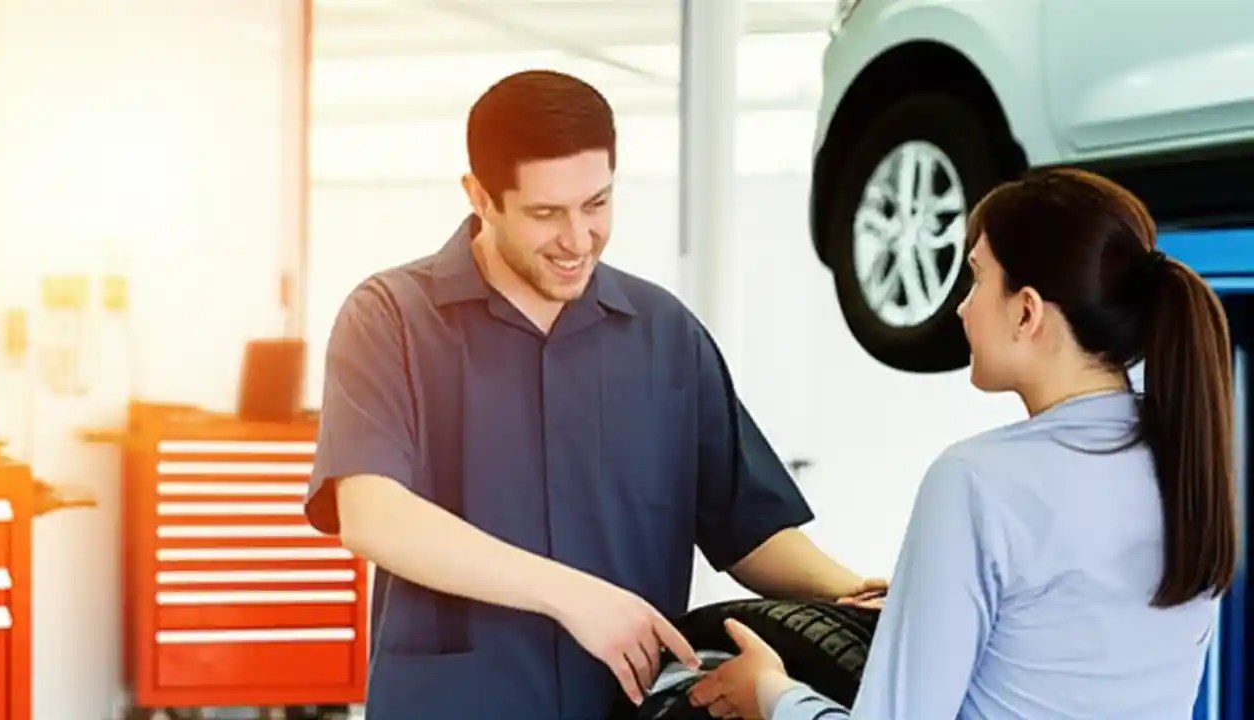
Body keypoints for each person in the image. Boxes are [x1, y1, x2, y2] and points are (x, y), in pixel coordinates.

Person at [302, 69, 886, 720]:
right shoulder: (391, 319)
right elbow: (373, 515)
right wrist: (575, 597)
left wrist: (852, 592)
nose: (577, 240)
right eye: (546, 214)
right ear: (480, 196)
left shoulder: (665, 334)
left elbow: (747, 525)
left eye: (597, 204)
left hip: (620, 707)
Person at [687, 168, 1237, 719]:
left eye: (976, 278)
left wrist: (771, 695)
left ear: (1026, 311)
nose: (962, 308)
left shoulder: (980, 480)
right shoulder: (1186, 468)